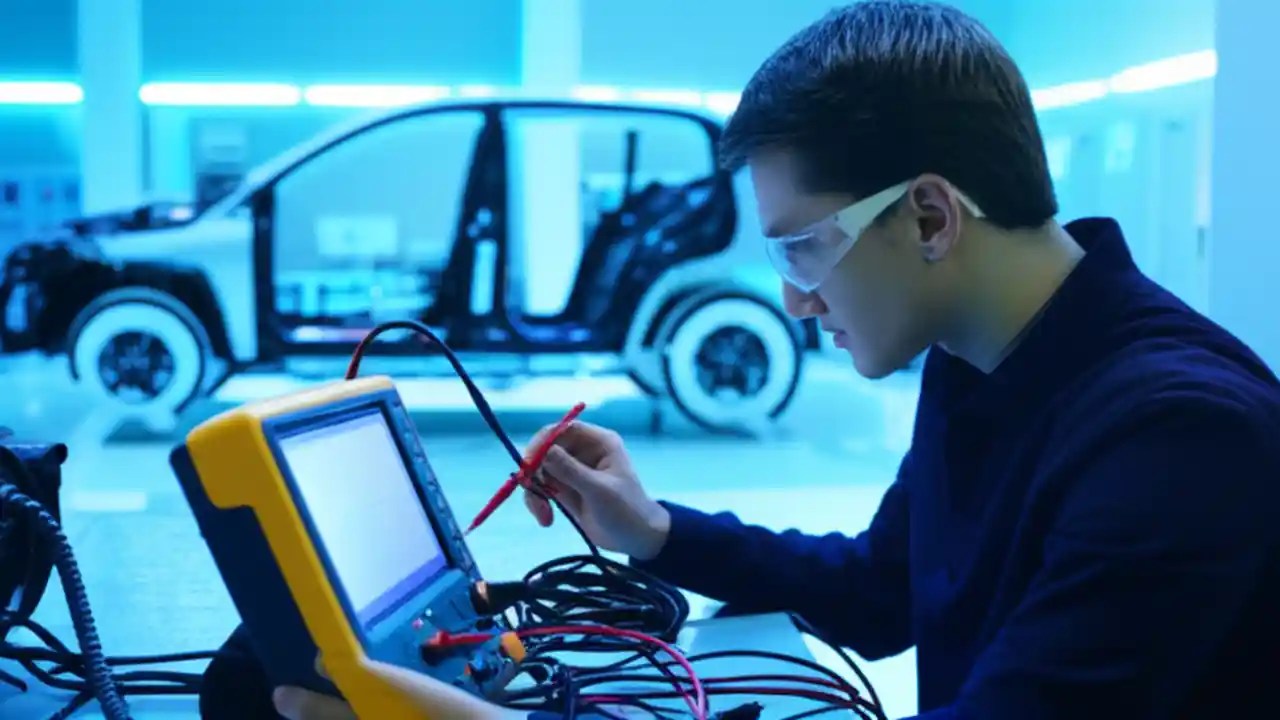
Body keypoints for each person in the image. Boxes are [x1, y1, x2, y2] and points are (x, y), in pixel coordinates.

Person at [213, 1, 1280, 718]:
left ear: (929, 216)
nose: (795, 301)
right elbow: (880, 590)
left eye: (800, 247)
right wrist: (653, 531)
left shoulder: (1179, 438)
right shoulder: (983, 354)